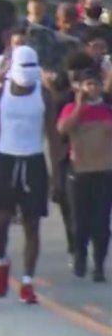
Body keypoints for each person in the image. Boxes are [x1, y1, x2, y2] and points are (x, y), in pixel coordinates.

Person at [0, 46, 61, 305]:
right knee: (0, 222)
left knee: (32, 225)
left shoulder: (44, 95)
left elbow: (53, 137)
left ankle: (27, 282)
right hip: (5, 160)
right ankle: (2, 261)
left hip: (33, 161)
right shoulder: (0, 95)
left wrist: (56, 175)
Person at [57, 57, 112, 282]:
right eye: (88, 84)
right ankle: (79, 253)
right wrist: (79, 107)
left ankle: (99, 263)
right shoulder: (70, 108)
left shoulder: (108, 110)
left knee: (101, 222)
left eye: (96, 83)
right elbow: (62, 130)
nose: (92, 88)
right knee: (79, 220)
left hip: (104, 171)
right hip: (78, 171)